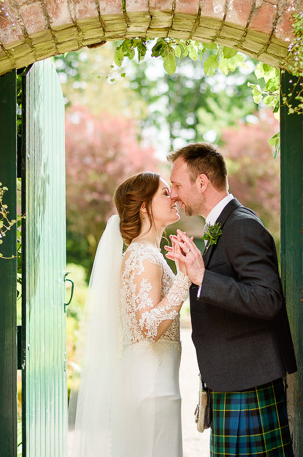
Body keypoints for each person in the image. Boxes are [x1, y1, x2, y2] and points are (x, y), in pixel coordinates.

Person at [165, 143, 298, 457]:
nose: (173, 194)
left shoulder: (241, 225)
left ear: (202, 183)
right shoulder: (220, 226)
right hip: (234, 380)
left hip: (249, 382)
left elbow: (268, 300)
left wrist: (203, 277)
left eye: (177, 185)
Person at [69, 172, 191, 457]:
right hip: (149, 386)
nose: (173, 196)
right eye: (164, 192)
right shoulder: (141, 257)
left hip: (158, 383)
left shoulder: (151, 253)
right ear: (144, 207)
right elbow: (149, 326)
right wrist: (185, 279)